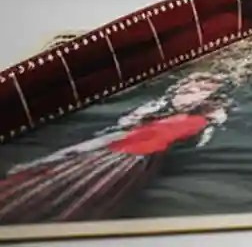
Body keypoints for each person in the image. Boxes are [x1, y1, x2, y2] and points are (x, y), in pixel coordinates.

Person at [0, 72, 232, 225]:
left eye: (201, 90)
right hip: (110, 163)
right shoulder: (148, 122)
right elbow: (96, 144)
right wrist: (42, 162)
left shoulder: (202, 121)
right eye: (187, 89)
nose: (191, 94)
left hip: (129, 169)